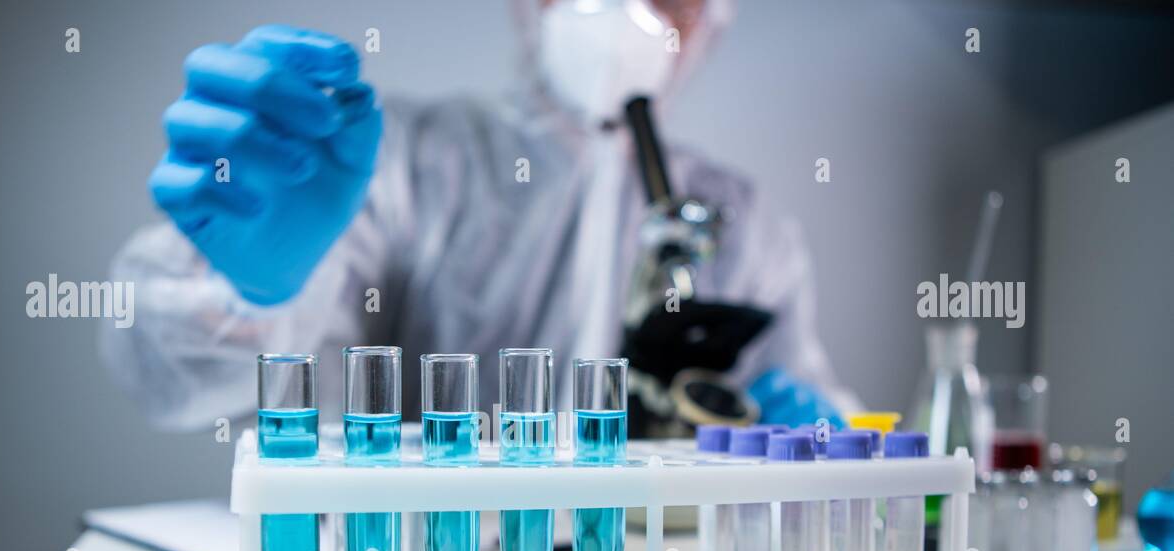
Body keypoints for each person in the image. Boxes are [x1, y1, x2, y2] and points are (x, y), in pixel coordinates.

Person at [102, 0, 855, 428]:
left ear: (708, 26)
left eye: (670, 2)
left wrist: (820, 436)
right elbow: (172, 380)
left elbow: (804, 416)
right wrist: (243, 296)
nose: (632, 18)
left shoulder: (742, 224)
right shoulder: (397, 164)